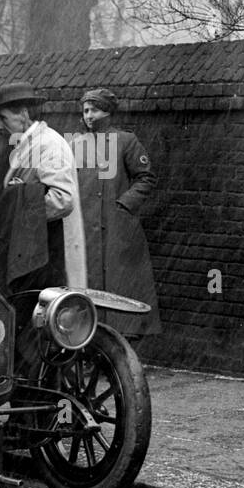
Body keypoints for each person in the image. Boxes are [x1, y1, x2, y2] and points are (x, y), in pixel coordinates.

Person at [0, 81, 87, 291]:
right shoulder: (29, 143)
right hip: (34, 249)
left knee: (46, 301)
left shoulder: (49, 144)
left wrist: (19, 206)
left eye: (2, 118)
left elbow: (63, 200)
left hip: (49, 250)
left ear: (23, 113)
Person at [75, 87, 160, 336]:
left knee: (120, 282)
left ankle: (121, 336)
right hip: (84, 226)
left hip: (116, 226)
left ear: (108, 112)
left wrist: (124, 204)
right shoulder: (75, 143)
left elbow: (145, 177)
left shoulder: (125, 141)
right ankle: (88, 335)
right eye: (86, 110)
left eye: (95, 110)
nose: (89, 116)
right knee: (86, 281)